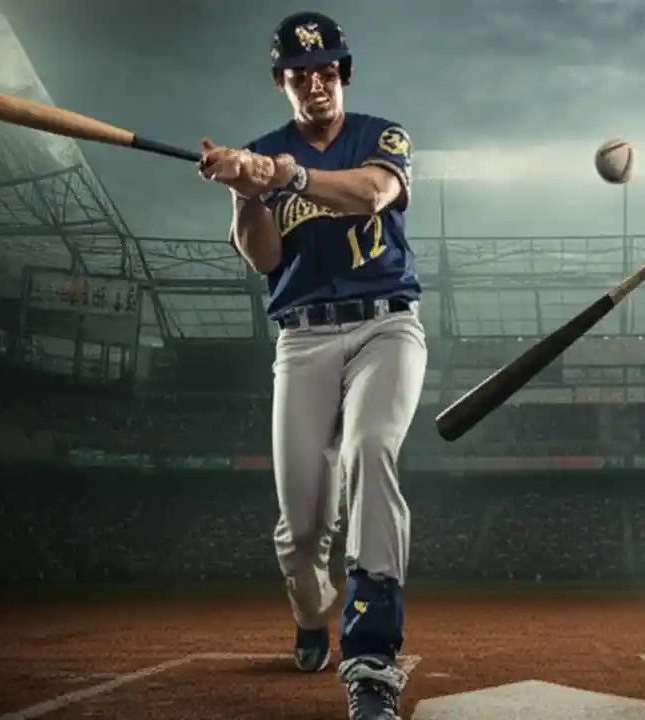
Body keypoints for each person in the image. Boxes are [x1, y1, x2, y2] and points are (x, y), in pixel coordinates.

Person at [198, 11, 425, 720]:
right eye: (302, 74)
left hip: (387, 326)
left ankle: (371, 658)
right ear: (282, 82)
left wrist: (289, 174)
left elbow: (374, 194)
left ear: (343, 73)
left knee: (370, 450)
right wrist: (246, 189)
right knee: (301, 529)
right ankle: (310, 614)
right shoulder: (260, 153)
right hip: (301, 340)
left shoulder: (380, 135)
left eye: (328, 70)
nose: (317, 84)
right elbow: (264, 258)